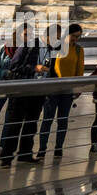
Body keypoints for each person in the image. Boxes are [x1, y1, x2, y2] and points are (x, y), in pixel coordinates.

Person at [0, 35, 47, 167]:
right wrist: (34, 68)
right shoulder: (29, 46)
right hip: (22, 91)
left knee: (31, 123)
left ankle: (25, 153)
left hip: (38, 92)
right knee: (15, 124)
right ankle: (6, 157)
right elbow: (14, 66)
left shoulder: (53, 49)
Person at [37, 23, 84, 160]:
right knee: (47, 119)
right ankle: (42, 149)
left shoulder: (78, 50)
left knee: (63, 120)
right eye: (74, 36)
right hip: (53, 89)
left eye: (78, 37)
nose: (76, 39)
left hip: (67, 91)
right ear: (67, 33)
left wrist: (78, 88)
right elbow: (48, 66)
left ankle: (58, 148)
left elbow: (79, 70)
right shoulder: (56, 47)